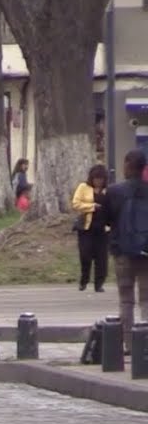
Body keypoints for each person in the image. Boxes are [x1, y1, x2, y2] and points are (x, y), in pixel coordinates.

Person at [102, 150, 148, 353]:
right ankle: (146, 340)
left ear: (128, 165)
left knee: (126, 299)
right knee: (147, 299)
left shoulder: (114, 191)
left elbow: (106, 220)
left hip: (122, 252)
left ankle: (129, 343)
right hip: (146, 252)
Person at [72, 164, 110, 292]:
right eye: (96, 179)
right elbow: (76, 204)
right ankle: (84, 279)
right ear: (91, 178)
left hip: (102, 229)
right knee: (85, 255)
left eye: (101, 179)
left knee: (101, 257)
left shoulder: (108, 190)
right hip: (86, 228)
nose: (98, 182)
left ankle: (99, 284)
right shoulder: (83, 187)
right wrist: (92, 206)